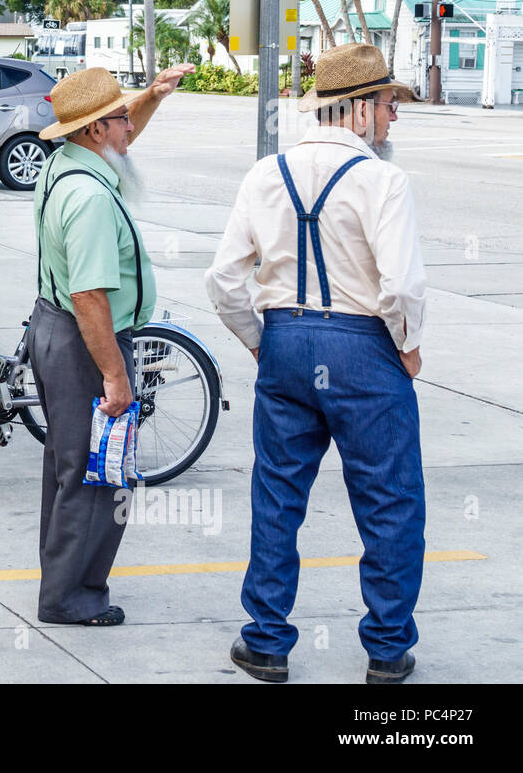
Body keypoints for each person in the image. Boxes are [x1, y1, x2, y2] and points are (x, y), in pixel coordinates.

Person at [204, 42, 427, 684]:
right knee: (389, 500)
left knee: (277, 494)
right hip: (363, 347)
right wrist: (407, 346)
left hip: (285, 342)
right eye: (387, 105)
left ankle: (266, 641)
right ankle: (387, 650)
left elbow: (223, 279)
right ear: (356, 109)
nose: (392, 119)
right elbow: (401, 285)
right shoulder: (383, 181)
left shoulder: (263, 174)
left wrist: (258, 339)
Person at [30, 63, 193, 626]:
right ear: (96, 130)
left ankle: (63, 581)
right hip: (86, 343)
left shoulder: (68, 164)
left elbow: (123, 138)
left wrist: (150, 97)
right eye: (121, 119)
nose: (130, 129)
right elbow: (91, 296)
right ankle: (70, 597)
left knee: (70, 465)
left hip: (56, 333)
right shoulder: (92, 199)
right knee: (96, 475)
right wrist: (116, 376)